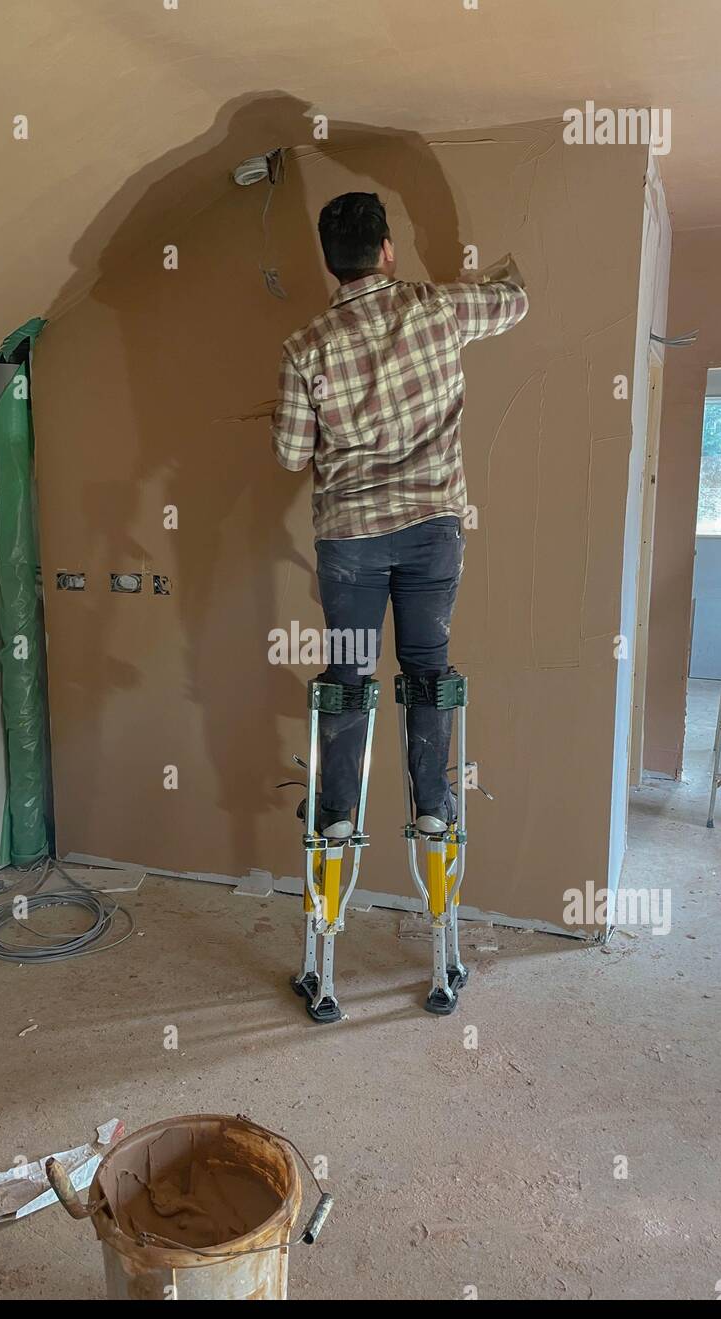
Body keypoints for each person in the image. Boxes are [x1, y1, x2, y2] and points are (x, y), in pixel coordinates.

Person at [272, 191, 528, 838]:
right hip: (431, 530)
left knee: (351, 669)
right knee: (426, 666)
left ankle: (335, 812)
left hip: (350, 540)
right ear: (386, 250)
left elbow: (291, 454)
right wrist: (497, 273)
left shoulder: (305, 347)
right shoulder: (434, 307)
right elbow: (514, 301)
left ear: (332, 264)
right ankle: (434, 806)